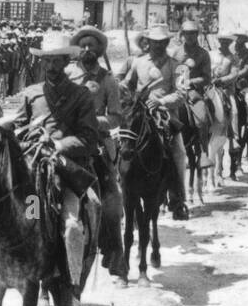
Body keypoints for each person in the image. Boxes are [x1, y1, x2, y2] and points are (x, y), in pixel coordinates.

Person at [13, 30, 101, 292]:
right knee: (25, 221)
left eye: (57, 60)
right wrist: (27, 142)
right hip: (34, 177)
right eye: (47, 61)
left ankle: (73, 287)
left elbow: (89, 139)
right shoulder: (31, 94)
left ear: (66, 62)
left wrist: (57, 145)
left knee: (73, 226)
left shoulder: (81, 95)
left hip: (68, 173)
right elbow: (17, 131)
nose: (51, 66)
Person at [122, 25, 190, 220]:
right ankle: (121, 189)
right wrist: (122, 89)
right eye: (154, 42)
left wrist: (160, 101)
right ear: (148, 42)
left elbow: (182, 94)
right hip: (139, 112)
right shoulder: (138, 62)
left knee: (178, 152)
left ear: (167, 43)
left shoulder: (180, 66)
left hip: (166, 114)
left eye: (162, 42)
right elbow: (128, 83)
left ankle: (178, 199)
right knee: (123, 143)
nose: (158, 45)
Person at [66, 26, 122, 168]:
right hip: (66, 136)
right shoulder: (66, 75)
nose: (86, 49)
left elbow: (116, 117)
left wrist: (94, 121)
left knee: (111, 188)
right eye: (82, 46)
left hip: (96, 140)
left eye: (90, 45)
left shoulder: (108, 79)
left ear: (99, 49)